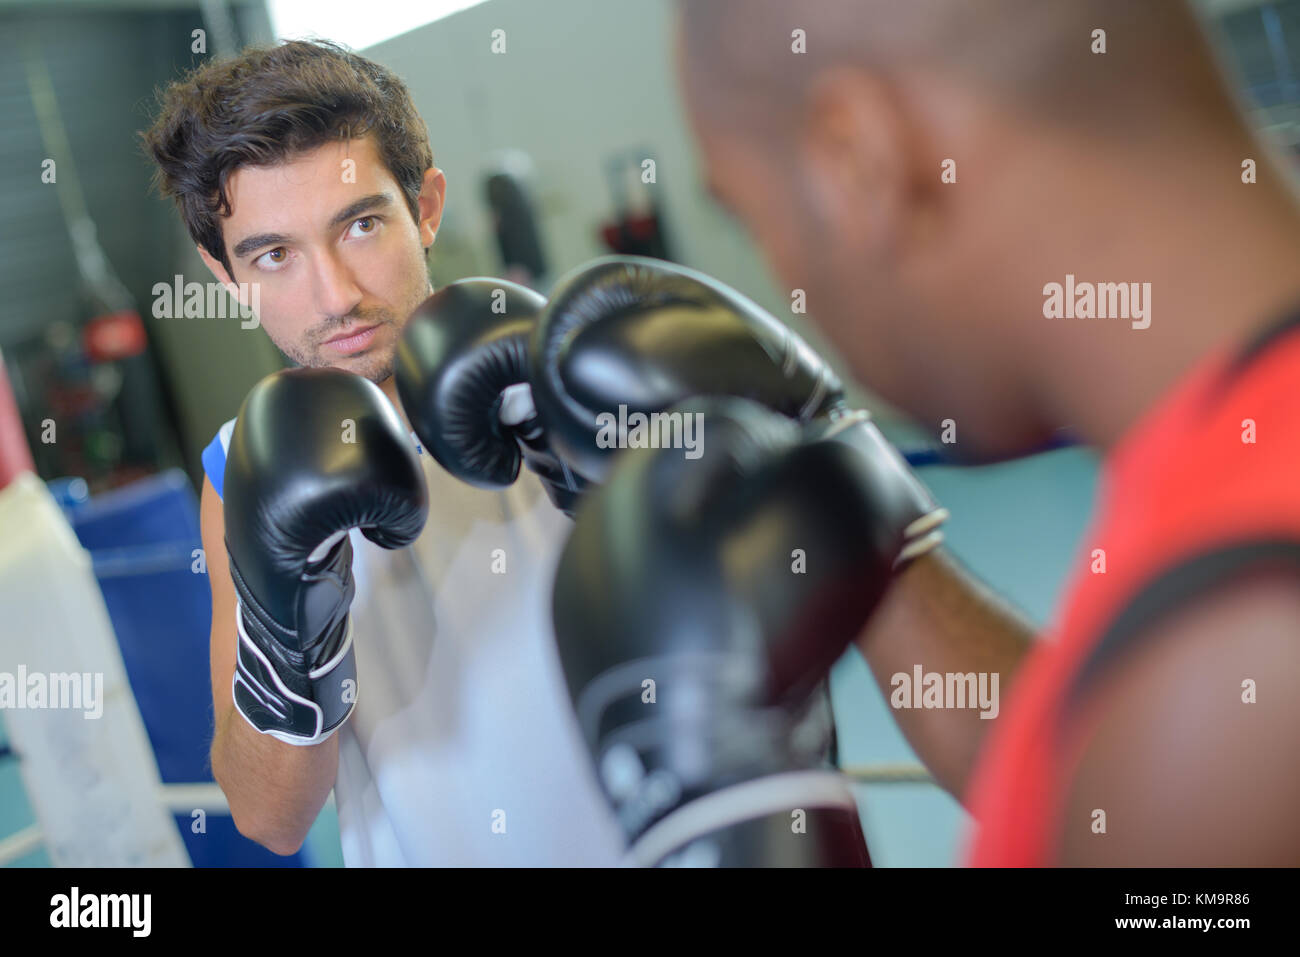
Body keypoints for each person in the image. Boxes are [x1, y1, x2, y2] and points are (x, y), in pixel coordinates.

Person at [671, 0, 1300, 864]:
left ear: (857, 160)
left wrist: (710, 815)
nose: (784, 273)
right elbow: (1081, 784)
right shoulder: (1226, 541)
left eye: (749, 213)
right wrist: (846, 492)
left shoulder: (1235, 644)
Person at [141, 39, 624, 865]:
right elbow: (269, 815)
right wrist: (288, 638)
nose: (335, 296)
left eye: (360, 224)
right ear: (225, 277)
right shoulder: (240, 471)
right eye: (273, 255)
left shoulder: (579, 368)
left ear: (425, 206)